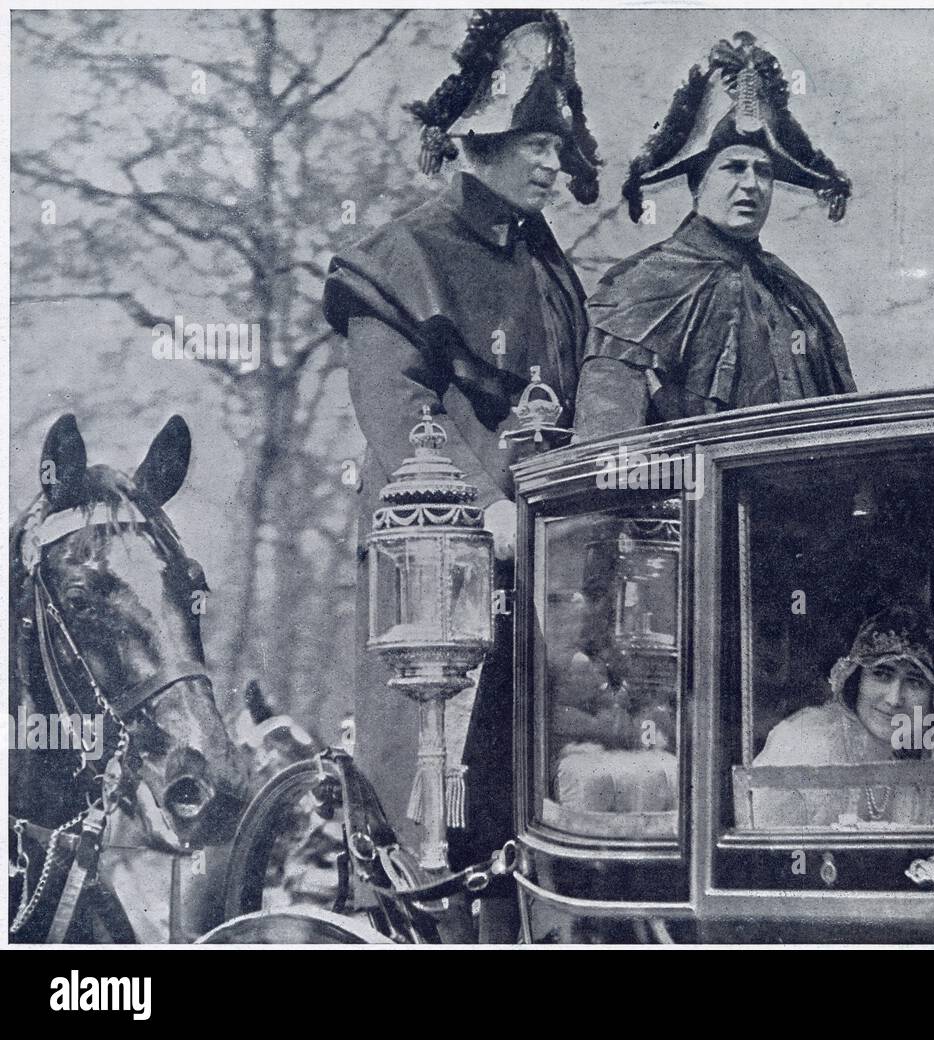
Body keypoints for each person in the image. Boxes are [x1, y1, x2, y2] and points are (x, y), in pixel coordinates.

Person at [321, 9, 601, 941]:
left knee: (539, 811)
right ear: (480, 139)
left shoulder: (552, 274)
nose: (556, 165)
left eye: (560, 146)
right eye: (536, 142)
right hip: (436, 576)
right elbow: (397, 413)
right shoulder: (404, 253)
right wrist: (485, 507)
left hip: (547, 580)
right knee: (432, 826)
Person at [571, 31, 857, 441]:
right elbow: (607, 449)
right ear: (697, 184)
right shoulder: (637, 288)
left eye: (764, 172)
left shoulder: (798, 299)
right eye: (734, 167)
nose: (751, 185)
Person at [748, 604, 934, 828]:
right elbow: (768, 856)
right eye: (881, 674)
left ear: (933, 699)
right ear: (856, 680)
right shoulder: (806, 744)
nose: (894, 699)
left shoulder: (913, 770)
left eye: (915, 682)